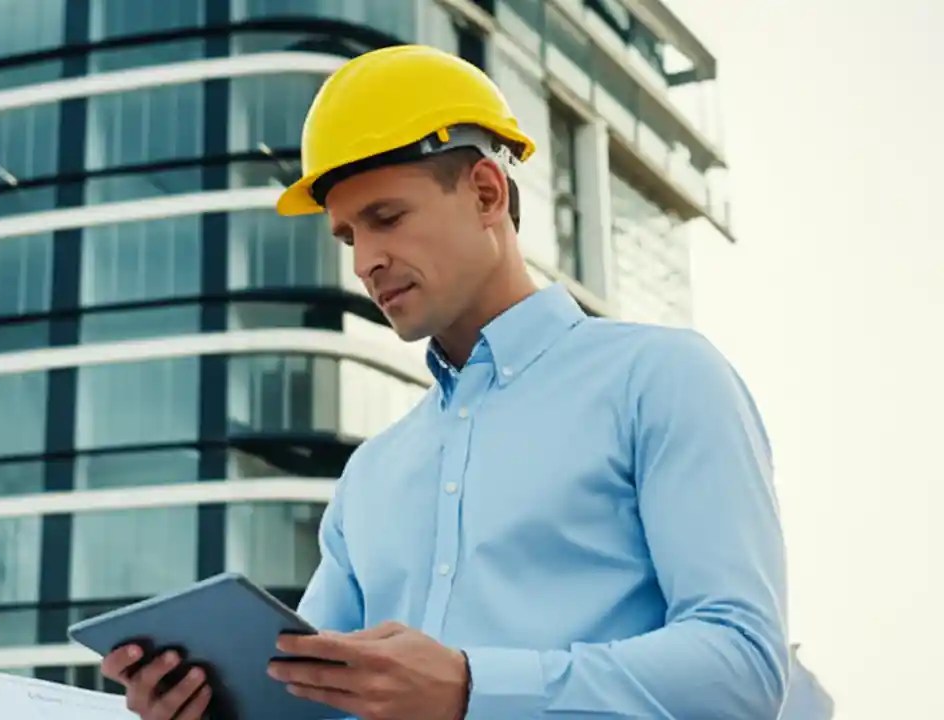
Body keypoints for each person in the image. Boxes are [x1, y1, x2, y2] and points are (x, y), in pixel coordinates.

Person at [101, 44, 795, 719]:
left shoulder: (661, 379)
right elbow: (309, 702)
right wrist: (216, 710)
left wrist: (472, 688)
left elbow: (741, 670)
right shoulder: (371, 475)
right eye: (349, 237)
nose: (365, 263)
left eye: (386, 218)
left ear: (487, 193)